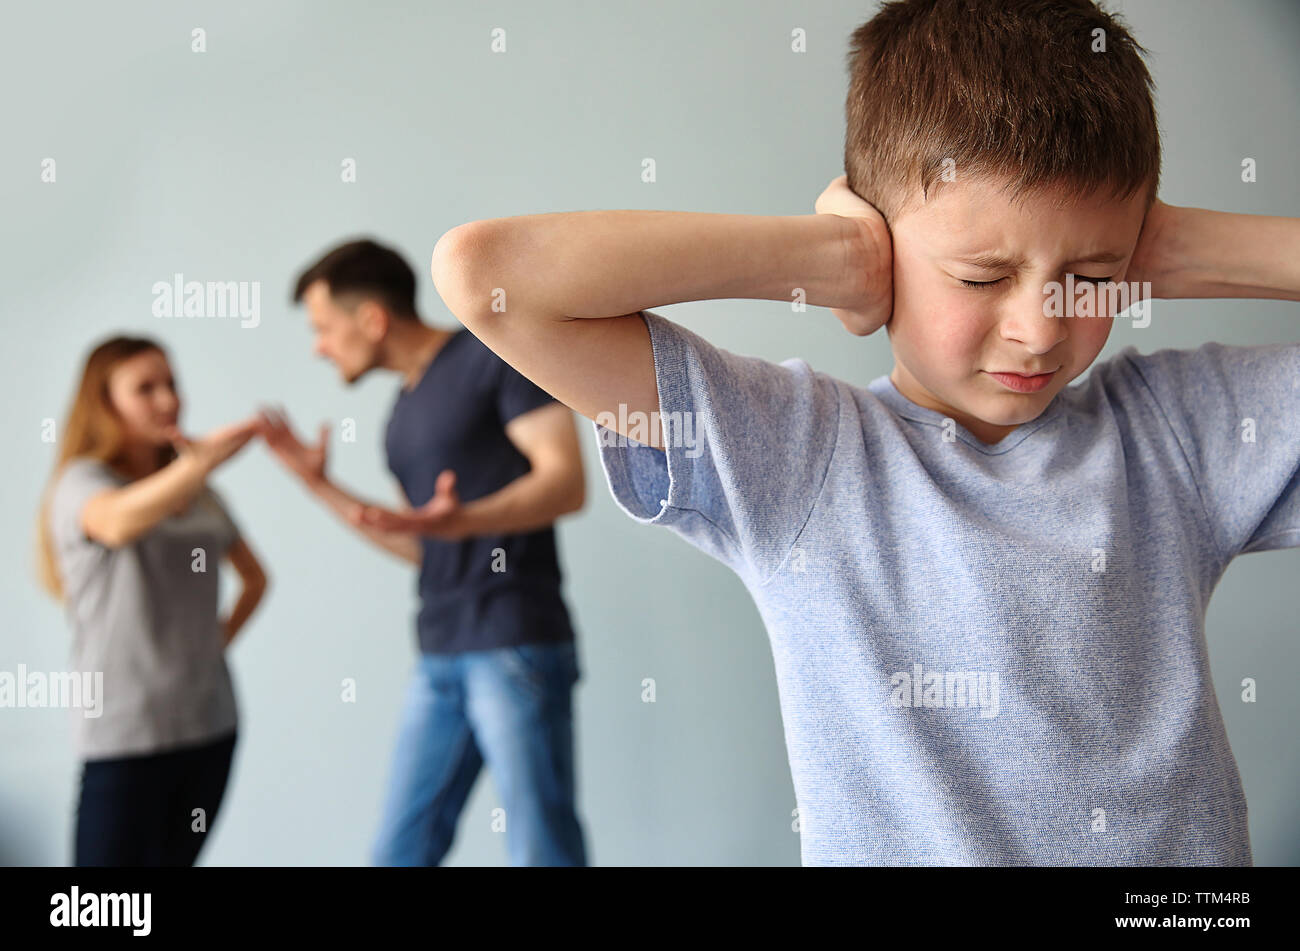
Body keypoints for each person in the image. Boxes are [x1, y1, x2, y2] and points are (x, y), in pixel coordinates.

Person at [426, 0, 1300, 864]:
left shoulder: (1175, 434)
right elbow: (488, 275)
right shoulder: (799, 456)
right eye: (982, 275)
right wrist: (828, 259)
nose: (1041, 325)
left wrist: (1189, 248)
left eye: (1094, 273)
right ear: (880, 247)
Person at [262, 237, 588, 866]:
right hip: (440, 653)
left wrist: (468, 521)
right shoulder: (399, 417)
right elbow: (422, 545)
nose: (318, 347)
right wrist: (318, 483)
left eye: (323, 328)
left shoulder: (494, 357)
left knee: (542, 849)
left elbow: (566, 482)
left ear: (373, 319)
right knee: (399, 852)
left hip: (513, 642)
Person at [38, 335, 267, 866]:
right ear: (105, 403)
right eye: (146, 388)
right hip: (124, 732)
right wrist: (197, 465)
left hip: (210, 723)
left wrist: (215, 642)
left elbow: (256, 578)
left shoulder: (199, 493)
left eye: (171, 383)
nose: (168, 400)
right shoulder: (82, 483)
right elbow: (117, 522)